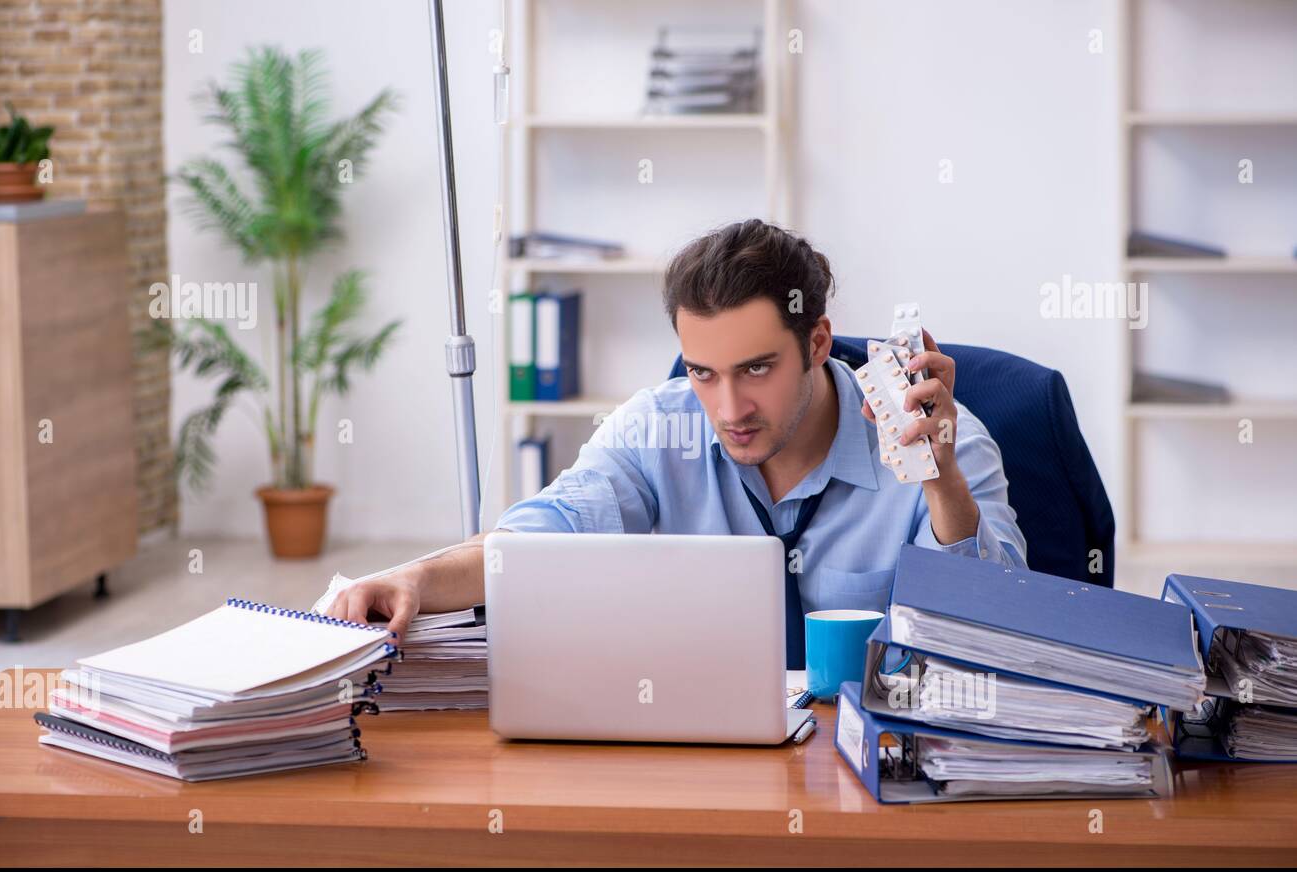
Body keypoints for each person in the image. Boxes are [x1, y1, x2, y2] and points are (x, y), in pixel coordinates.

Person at [328, 219, 1027, 666]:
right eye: (702, 372)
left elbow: (1008, 630)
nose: (729, 408)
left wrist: (941, 487)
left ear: (817, 341)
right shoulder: (657, 427)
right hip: (703, 767)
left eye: (757, 368)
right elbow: (543, 535)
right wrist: (414, 577)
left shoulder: (942, 444)